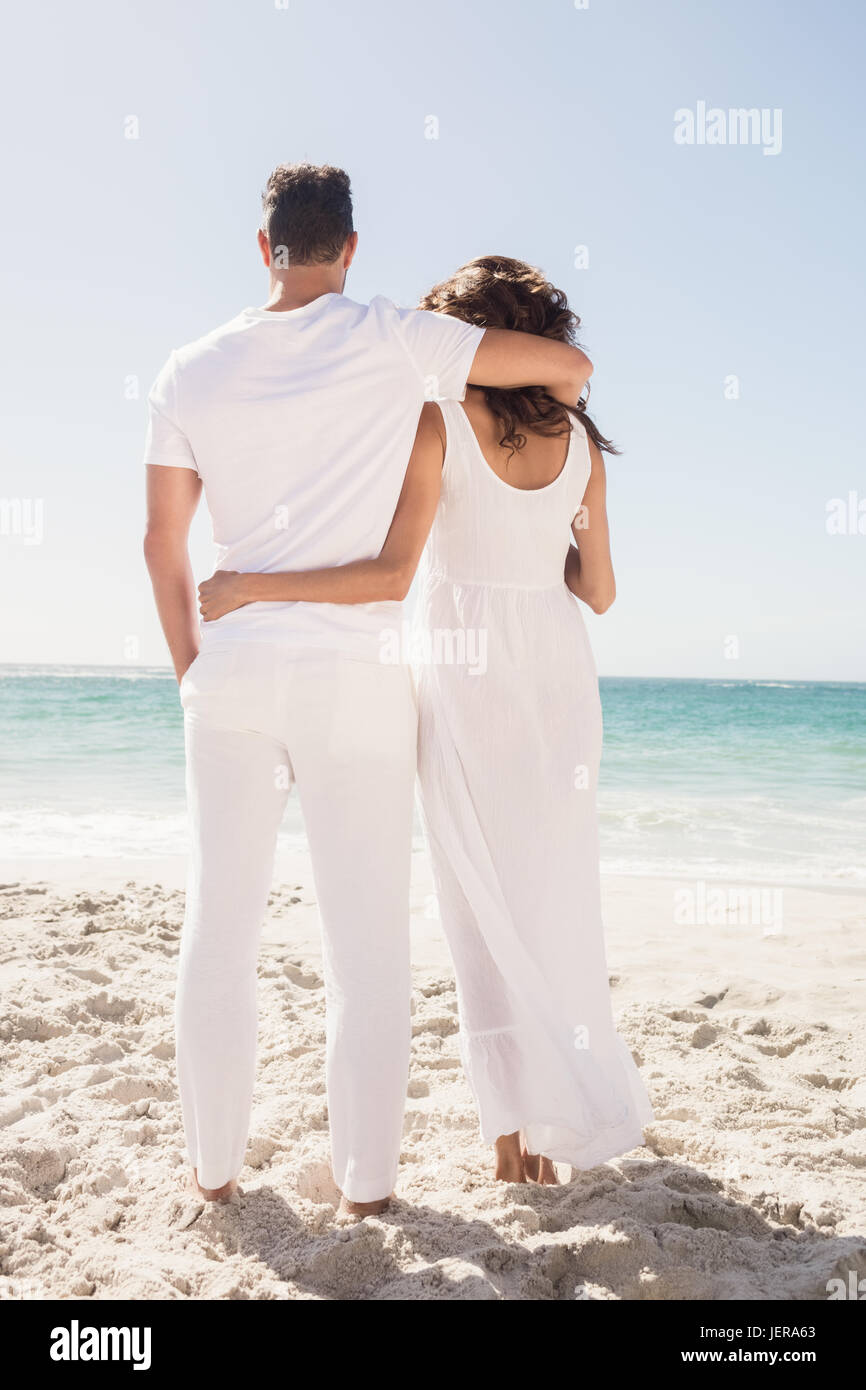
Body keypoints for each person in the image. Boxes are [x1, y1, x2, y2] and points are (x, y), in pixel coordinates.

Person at [143, 170, 593, 1216]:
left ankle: (212, 1174)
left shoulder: (189, 368)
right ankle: (367, 1193)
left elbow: (163, 541)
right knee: (367, 943)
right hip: (357, 679)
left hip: (235, 672)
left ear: (263, 250)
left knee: (218, 925)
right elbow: (567, 369)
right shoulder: (395, 337)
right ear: (349, 248)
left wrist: (192, 672)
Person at [199, 255, 654, 1187]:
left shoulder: (437, 421)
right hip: (558, 672)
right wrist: (544, 560)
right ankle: (563, 1110)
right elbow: (600, 592)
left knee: (475, 904)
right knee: (556, 893)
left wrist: (250, 585)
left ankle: (510, 1143)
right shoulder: (582, 442)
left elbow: (393, 575)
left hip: (461, 673)